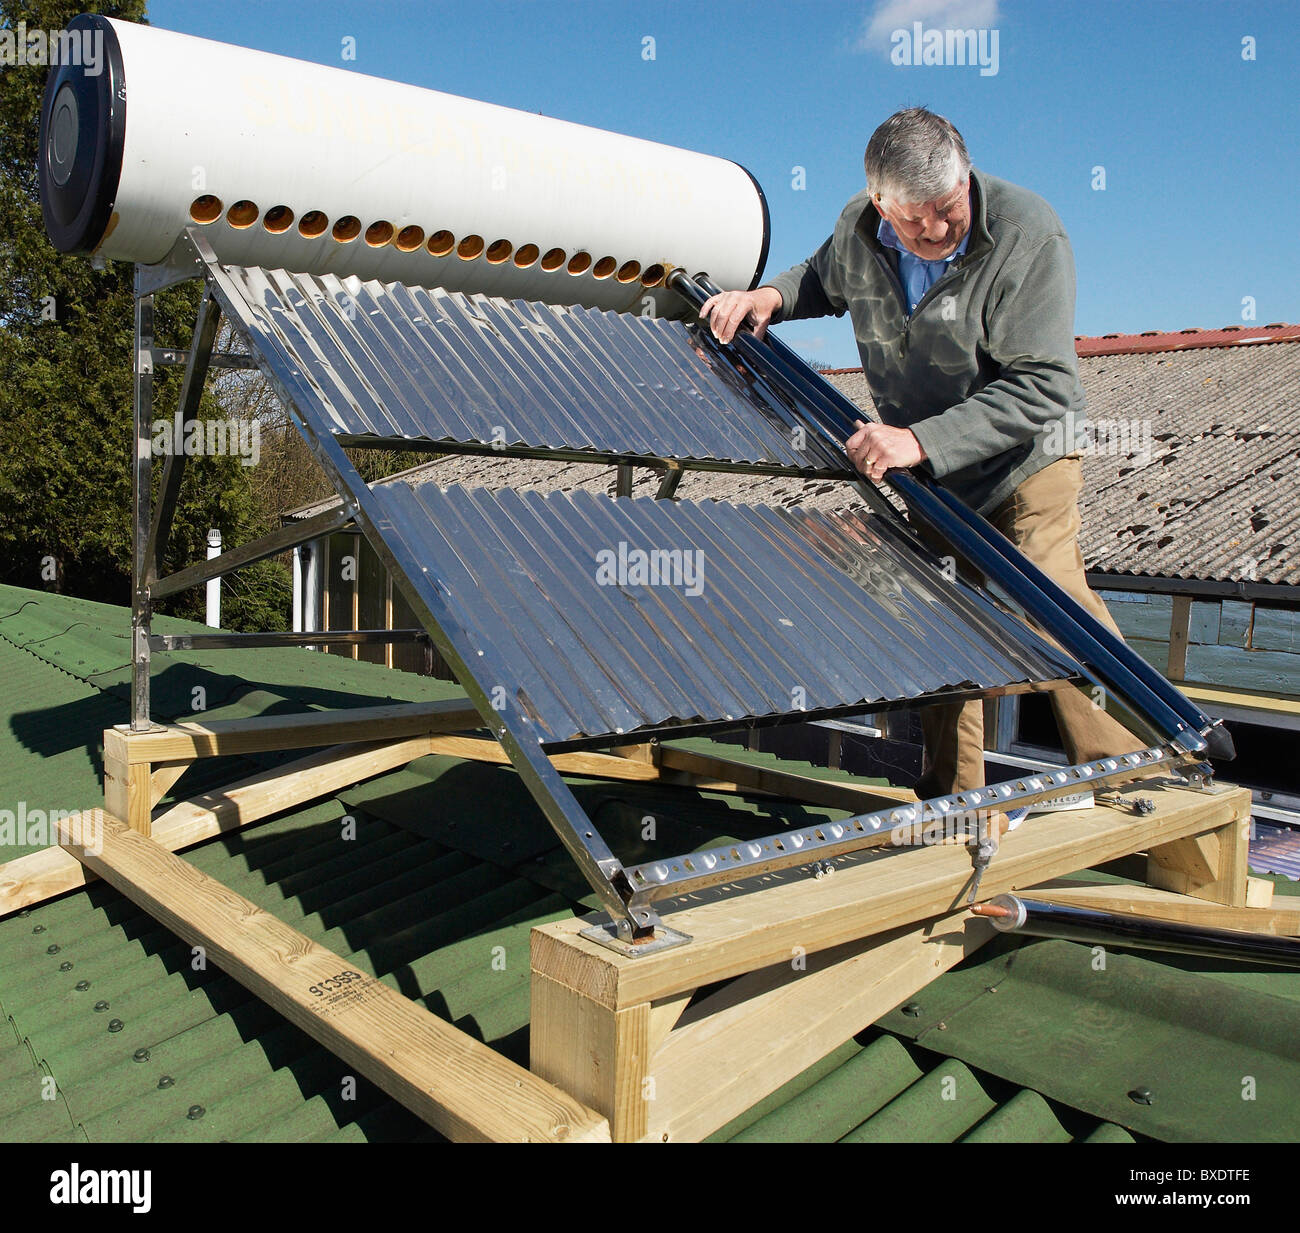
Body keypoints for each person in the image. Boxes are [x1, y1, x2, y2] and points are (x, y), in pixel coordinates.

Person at [700, 107, 1145, 800]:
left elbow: (1046, 387)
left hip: (1026, 459)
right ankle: (952, 800)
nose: (936, 229)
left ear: (966, 176)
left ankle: (1129, 773)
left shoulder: (1027, 233)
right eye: (915, 219)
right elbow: (822, 276)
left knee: (1052, 601)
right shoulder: (858, 229)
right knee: (943, 616)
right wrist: (770, 295)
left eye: (948, 207)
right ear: (881, 204)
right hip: (934, 475)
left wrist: (918, 440)